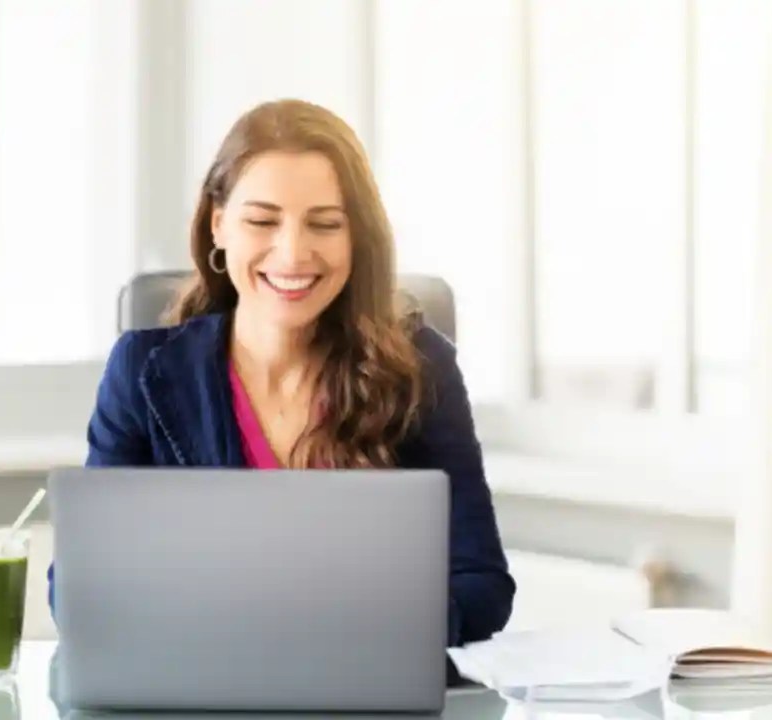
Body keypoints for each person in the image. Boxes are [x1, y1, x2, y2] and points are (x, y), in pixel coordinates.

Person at [49, 98, 514, 650]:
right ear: (219, 225)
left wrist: (357, 636)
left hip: (366, 689)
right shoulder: (142, 371)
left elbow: (481, 583)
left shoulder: (421, 368)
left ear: (356, 237)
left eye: (324, 223)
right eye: (262, 220)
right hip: (198, 691)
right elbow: (79, 590)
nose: (293, 254)